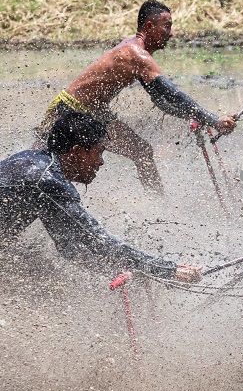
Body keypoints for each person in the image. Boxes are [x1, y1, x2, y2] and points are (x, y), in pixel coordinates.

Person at [36, 1, 237, 194]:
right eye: (167, 27)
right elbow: (172, 94)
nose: (171, 33)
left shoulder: (137, 53)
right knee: (44, 165)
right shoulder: (136, 55)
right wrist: (213, 120)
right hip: (69, 110)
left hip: (96, 113)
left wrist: (197, 118)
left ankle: (159, 209)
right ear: (149, 26)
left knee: (142, 152)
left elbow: (161, 101)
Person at [1, 112, 203, 284]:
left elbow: (69, 246)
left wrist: (122, 270)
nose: (101, 162)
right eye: (98, 152)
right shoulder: (48, 182)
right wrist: (163, 269)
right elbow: (95, 238)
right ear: (77, 152)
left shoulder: (31, 160)